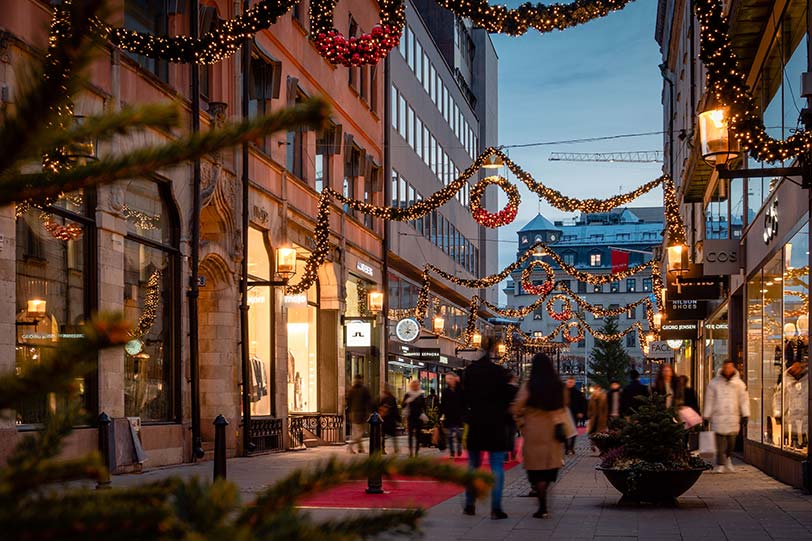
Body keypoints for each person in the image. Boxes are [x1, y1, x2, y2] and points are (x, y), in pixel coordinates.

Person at [512, 353, 574, 519]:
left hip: (533, 431)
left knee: (536, 470)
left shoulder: (529, 386)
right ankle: (544, 495)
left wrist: (522, 424)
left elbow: (516, 408)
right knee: (549, 468)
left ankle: (542, 504)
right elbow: (564, 405)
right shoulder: (558, 386)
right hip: (552, 431)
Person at [461, 347, 517, 520]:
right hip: (496, 426)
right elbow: (509, 398)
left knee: (473, 466)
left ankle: (470, 504)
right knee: (497, 467)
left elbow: (464, 399)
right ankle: (496, 508)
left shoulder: (470, 372)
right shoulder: (499, 373)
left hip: (476, 424)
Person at [703, 359, 749, 473]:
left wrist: (746, 414)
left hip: (733, 417)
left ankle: (727, 458)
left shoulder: (739, 384)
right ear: (723, 368)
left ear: (733, 368)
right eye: (726, 367)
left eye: (730, 367)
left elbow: (744, 400)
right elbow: (709, 400)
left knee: (731, 443)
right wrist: (706, 416)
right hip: (718, 416)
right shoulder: (714, 383)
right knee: (720, 444)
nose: (728, 369)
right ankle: (720, 464)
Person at [440, 372, 464, 458]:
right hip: (449, 416)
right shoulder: (445, 391)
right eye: (447, 379)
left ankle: (459, 448)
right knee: (450, 435)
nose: (448, 380)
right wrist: (441, 415)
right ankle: (452, 452)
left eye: (450, 378)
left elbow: (464, 401)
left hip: (458, 416)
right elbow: (442, 404)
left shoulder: (460, 390)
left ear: (454, 379)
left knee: (458, 434)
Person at [346, 375, 372, 454]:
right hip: (361, 414)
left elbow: (348, 402)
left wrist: (349, 413)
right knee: (360, 433)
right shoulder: (364, 390)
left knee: (356, 432)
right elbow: (368, 402)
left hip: (353, 413)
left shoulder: (351, 390)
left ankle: (360, 449)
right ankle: (350, 445)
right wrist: (369, 412)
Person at [401, 380, 426, 457]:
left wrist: (424, 415)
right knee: (410, 435)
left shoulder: (420, 395)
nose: (415, 386)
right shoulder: (408, 394)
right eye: (413, 385)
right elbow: (403, 405)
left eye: (416, 385)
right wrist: (407, 401)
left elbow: (423, 406)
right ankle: (411, 451)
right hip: (410, 417)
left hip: (418, 417)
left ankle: (416, 451)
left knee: (418, 435)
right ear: (411, 386)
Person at [564, 378, 586, 455]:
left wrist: (581, 412)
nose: (570, 383)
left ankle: (571, 447)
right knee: (565, 431)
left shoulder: (578, 393)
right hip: (564, 414)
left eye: (571, 382)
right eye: (569, 382)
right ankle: (567, 447)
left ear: (574, 383)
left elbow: (582, 403)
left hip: (574, 414)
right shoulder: (563, 392)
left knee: (573, 431)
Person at [378, 385, 401, 454]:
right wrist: (398, 419)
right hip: (391, 419)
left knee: (383, 435)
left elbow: (379, 408)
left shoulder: (383, 399)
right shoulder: (392, 398)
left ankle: (382, 449)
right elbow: (395, 410)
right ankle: (396, 448)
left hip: (384, 419)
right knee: (393, 435)